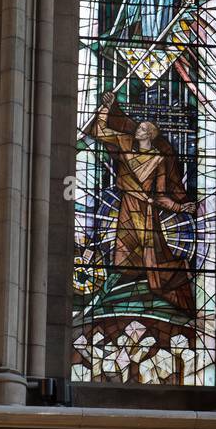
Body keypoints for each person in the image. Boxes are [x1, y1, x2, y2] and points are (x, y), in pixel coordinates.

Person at [84, 91, 195, 312]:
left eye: (143, 128)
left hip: (145, 212)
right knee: (123, 260)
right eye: (139, 126)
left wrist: (180, 207)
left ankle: (158, 295)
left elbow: (161, 194)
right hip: (128, 206)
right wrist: (107, 106)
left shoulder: (158, 159)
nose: (138, 129)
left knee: (151, 260)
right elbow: (98, 131)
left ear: (151, 135)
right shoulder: (124, 143)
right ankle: (116, 302)